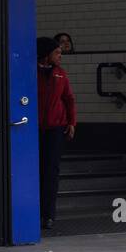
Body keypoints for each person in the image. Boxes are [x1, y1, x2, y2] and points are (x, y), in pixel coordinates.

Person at [37, 36, 77, 231]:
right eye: (57, 53)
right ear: (46, 54)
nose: (60, 56)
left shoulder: (61, 74)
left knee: (51, 171)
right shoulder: (31, 72)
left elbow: (69, 99)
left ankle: (48, 215)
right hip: (33, 129)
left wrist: (72, 122)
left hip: (55, 129)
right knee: (36, 171)